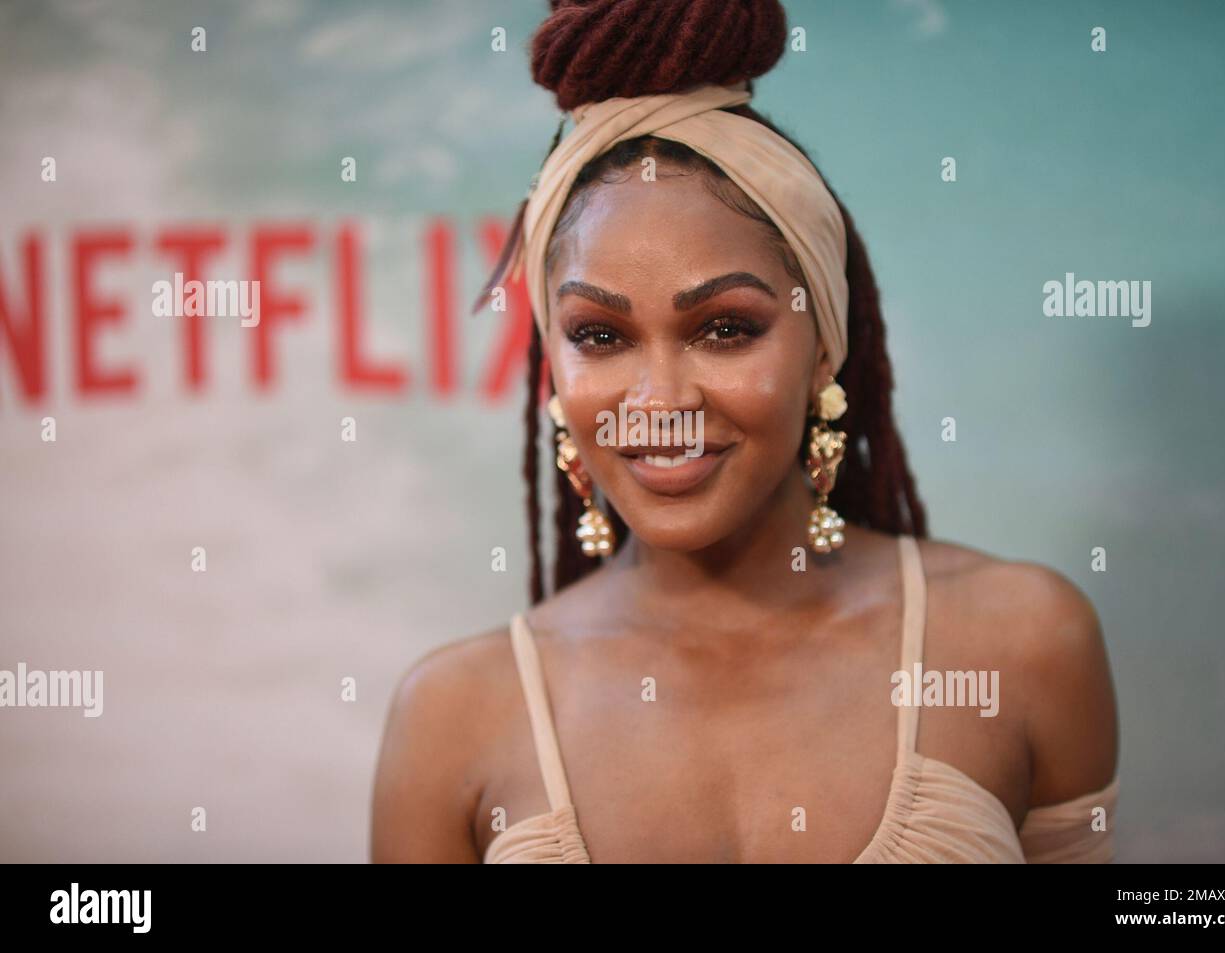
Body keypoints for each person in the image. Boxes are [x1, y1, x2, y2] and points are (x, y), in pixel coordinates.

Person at [371, 0, 1118, 863]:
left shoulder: (1025, 642)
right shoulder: (450, 720)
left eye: (725, 328)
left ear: (823, 346)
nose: (658, 400)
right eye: (600, 336)